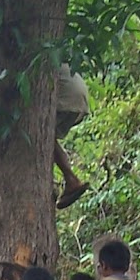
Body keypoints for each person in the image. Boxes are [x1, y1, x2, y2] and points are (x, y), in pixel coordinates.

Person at [53, 65, 90, 210]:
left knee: (41, 136)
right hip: (80, 98)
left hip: (68, 99)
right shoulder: (56, 56)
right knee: (49, 139)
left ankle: (71, 178)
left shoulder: (37, 58)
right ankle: (66, 179)